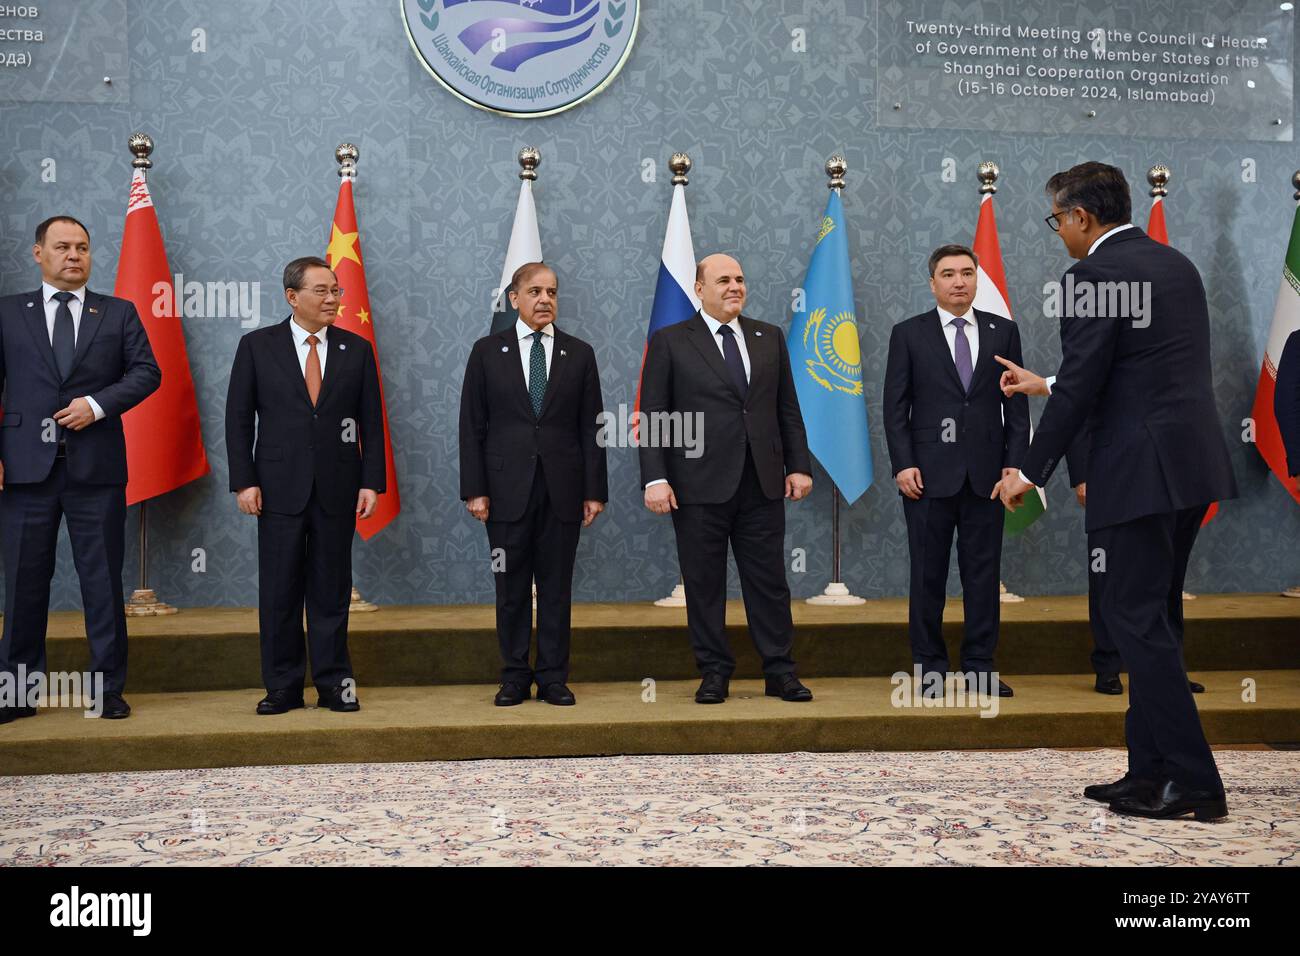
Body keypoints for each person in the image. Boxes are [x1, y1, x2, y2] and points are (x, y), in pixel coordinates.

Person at [993, 162, 1238, 821]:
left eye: (1057, 219)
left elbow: (1082, 388)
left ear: (1082, 217)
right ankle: (1147, 771)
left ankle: (1194, 783)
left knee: (1134, 619)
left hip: (1138, 473)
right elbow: (1137, 370)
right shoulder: (1175, 264)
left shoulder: (1092, 277)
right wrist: (1051, 385)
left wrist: (1029, 470)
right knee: (1155, 617)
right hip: (1192, 469)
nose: (1059, 234)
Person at [0, 216, 161, 724]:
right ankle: (16, 693)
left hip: (97, 471)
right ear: (38, 253)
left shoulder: (117, 313)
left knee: (101, 582)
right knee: (24, 583)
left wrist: (96, 404)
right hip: (25, 471)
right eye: (63, 247)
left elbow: (146, 373)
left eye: (84, 247)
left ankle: (106, 691)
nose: (74, 255)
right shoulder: (7, 313)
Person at [639, 253, 814, 704]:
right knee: (704, 583)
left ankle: (780, 671)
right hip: (697, 486)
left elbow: (787, 410)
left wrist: (798, 465)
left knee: (770, 583)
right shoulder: (671, 340)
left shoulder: (769, 337)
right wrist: (655, 478)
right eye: (723, 280)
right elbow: (655, 415)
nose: (734, 286)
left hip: (762, 484)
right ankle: (715, 672)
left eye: (739, 278)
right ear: (699, 289)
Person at [225, 256, 385, 715]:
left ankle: (335, 685)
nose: (333, 298)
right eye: (322, 290)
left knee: (332, 589)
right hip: (276, 489)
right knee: (278, 591)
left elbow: (372, 420)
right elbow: (238, 420)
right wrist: (244, 481)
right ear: (292, 296)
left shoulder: (355, 349)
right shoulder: (257, 346)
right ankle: (282, 687)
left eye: (336, 290)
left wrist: (371, 481)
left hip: (339, 486)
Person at [882, 244, 1029, 698]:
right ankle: (930, 667)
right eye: (949, 274)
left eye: (967, 272)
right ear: (933, 283)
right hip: (926, 476)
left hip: (987, 477)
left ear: (977, 278)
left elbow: (1018, 404)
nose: (959, 281)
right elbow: (895, 407)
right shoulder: (909, 333)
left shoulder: (1003, 331)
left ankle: (980, 665)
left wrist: (1015, 464)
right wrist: (903, 463)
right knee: (928, 574)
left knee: (982, 575)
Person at [459, 262, 608, 706]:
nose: (546, 299)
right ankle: (513, 677)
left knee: (557, 588)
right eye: (536, 291)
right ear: (514, 299)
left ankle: (553, 677)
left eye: (553, 292)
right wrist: (475, 488)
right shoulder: (487, 352)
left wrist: (594, 490)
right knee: (511, 588)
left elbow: (592, 427)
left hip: (563, 491)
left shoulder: (579, 354)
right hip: (505, 493)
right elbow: (472, 426)